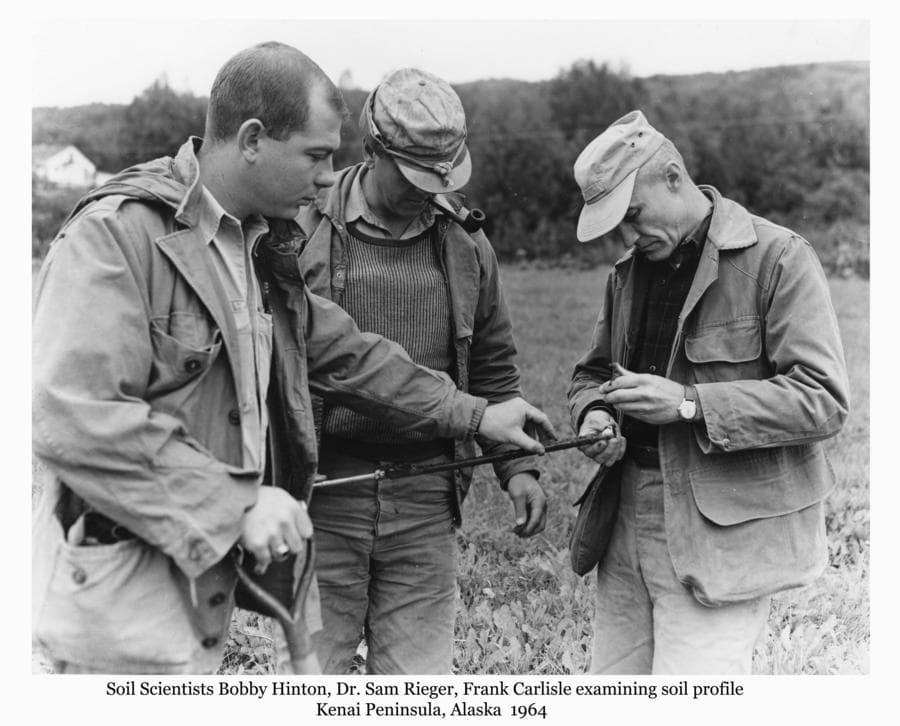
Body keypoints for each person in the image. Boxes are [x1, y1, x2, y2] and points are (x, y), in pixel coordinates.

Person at [31, 42, 553, 675]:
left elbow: (351, 355)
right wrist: (238, 504)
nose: (330, 177)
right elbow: (71, 414)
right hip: (107, 603)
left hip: (195, 593)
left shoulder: (255, 247)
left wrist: (477, 416)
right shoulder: (116, 236)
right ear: (252, 139)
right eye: (316, 155)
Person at [567, 110, 849, 674]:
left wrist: (690, 404)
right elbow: (591, 374)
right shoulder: (628, 273)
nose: (627, 237)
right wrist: (593, 414)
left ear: (673, 176)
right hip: (625, 519)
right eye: (616, 226)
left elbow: (822, 399)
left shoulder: (780, 258)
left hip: (721, 535)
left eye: (634, 215)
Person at [286, 67, 547, 674]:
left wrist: (519, 469)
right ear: (372, 149)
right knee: (306, 681)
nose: (429, 192)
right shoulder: (299, 227)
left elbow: (491, 365)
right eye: (413, 176)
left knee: (416, 689)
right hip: (324, 491)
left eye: (443, 176)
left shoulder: (466, 245)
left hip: (428, 494)